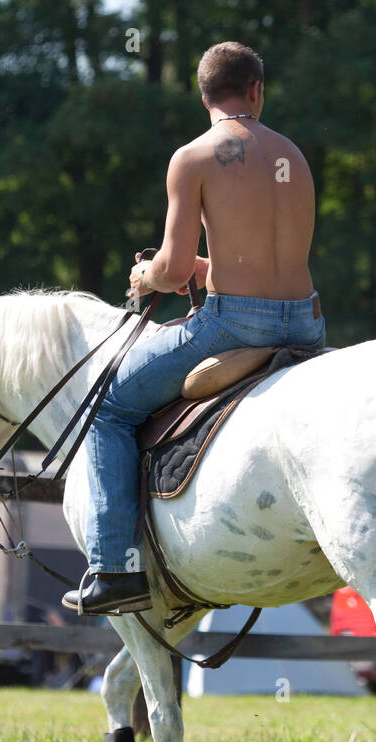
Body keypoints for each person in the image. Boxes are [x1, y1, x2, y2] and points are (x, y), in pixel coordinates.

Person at [63, 41, 324, 615]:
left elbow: (174, 268)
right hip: (305, 325)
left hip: (233, 328)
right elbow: (268, 258)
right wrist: (212, 269)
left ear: (203, 94)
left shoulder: (195, 157)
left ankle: (112, 568)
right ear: (257, 90)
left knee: (107, 406)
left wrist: (145, 274)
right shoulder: (293, 155)